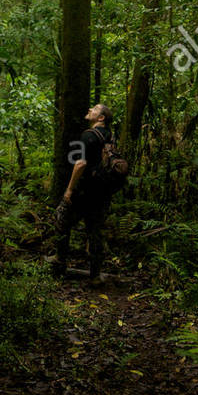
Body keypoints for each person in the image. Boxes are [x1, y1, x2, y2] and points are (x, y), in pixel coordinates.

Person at [53, 102, 116, 283]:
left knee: (61, 218)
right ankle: (95, 275)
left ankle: (60, 261)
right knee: (95, 230)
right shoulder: (110, 136)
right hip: (103, 191)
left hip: (85, 191)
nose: (89, 110)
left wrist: (69, 189)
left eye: (94, 109)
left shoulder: (88, 136)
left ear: (101, 118)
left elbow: (80, 164)